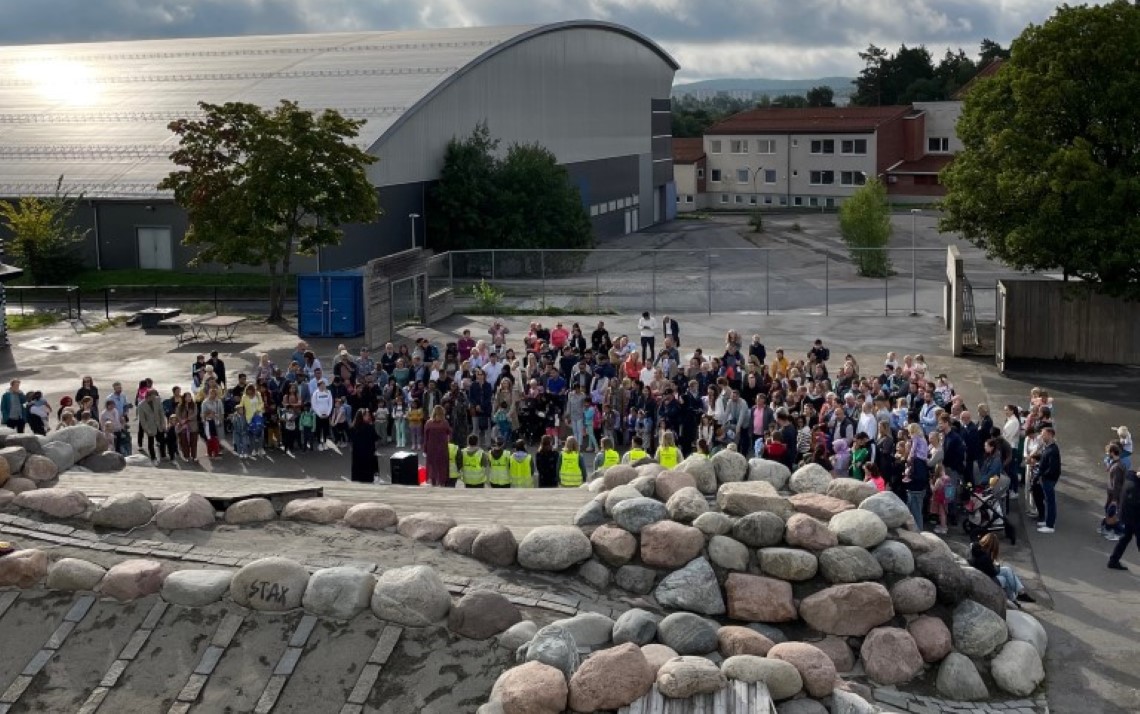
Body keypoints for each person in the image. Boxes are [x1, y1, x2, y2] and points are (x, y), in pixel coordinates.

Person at [970, 533, 1035, 605]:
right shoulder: (985, 557)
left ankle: (1020, 593)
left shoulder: (976, 548)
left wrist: (994, 565)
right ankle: (1015, 598)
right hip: (985, 578)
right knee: (1005, 579)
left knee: (1007, 570)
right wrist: (997, 566)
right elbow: (992, 572)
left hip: (982, 573)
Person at [1108, 467, 1140, 571]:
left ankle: (1113, 561)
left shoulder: (1130, 479)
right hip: (1135, 518)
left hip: (1127, 517)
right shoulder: (1135, 486)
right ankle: (1113, 561)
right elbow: (1136, 503)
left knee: (1125, 538)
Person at [905, 423, 930, 531]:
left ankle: (919, 530)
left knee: (916, 512)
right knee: (916, 511)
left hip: (916, 490)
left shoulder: (915, 438)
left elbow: (913, 448)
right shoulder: (923, 439)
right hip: (920, 487)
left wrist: (910, 457)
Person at [1036, 426, 1060, 533]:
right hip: (1047, 478)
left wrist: (1043, 475)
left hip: (1049, 479)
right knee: (1048, 500)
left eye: (1043, 434)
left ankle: (1050, 525)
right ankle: (1048, 521)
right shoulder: (1048, 447)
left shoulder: (1053, 450)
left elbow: (1052, 468)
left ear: (1050, 435)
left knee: (1050, 501)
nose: (1041, 436)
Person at [422, 405, 452, 487]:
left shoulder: (428, 423)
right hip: (442, 448)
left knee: (432, 467)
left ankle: (433, 483)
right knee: (442, 466)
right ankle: (442, 484)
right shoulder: (445, 423)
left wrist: (425, 450)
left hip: (431, 448)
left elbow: (425, 438)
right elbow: (450, 433)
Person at [137, 390, 168, 465]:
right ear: (149, 396)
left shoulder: (157, 400)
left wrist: (163, 423)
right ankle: (153, 458)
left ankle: (163, 455)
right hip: (150, 426)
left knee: (162, 441)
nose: (155, 397)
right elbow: (142, 420)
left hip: (159, 425)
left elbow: (161, 412)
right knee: (151, 443)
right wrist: (147, 429)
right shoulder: (141, 405)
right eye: (153, 395)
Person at [348, 409, 378, 483]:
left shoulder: (353, 428)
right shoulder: (370, 428)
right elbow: (376, 440)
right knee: (368, 477)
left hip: (357, 455)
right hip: (368, 455)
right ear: (362, 417)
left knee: (357, 475)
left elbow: (350, 442)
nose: (369, 417)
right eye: (367, 415)